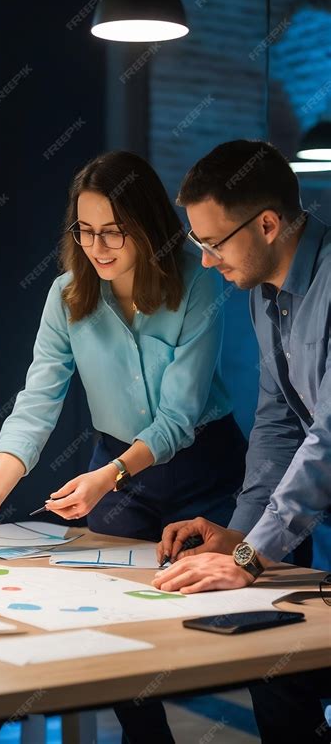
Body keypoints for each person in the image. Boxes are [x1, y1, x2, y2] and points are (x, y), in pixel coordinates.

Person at [0, 150, 246, 744]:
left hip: (209, 465)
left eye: (114, 231)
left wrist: (108, 475)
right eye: (85, 231)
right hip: (119, 468)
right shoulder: (65, 296)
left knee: (243, 620)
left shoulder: (197, 279)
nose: (98, 246)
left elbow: (179, 417)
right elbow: (35, 407)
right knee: (111, 613)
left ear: (149, 226)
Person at [152, 139, 331, 744]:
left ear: (269, 224)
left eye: (213, 242)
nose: (204, 261)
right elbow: (281, 421)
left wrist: (251, 558)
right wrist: (242, 533)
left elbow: (329, 437)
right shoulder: (264, 293)